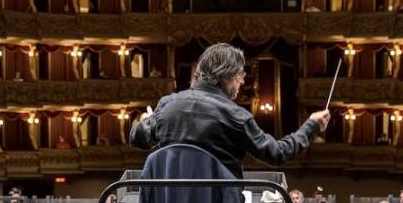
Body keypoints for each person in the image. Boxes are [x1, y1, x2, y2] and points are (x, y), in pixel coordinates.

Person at [129, 43, 330, 179]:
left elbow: (137, 138)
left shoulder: (166, 105)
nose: (243, 81)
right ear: (229, 75)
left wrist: (146, 119)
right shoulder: (236, 115)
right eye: (241, 74)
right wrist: (312, 125)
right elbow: (277, 154)